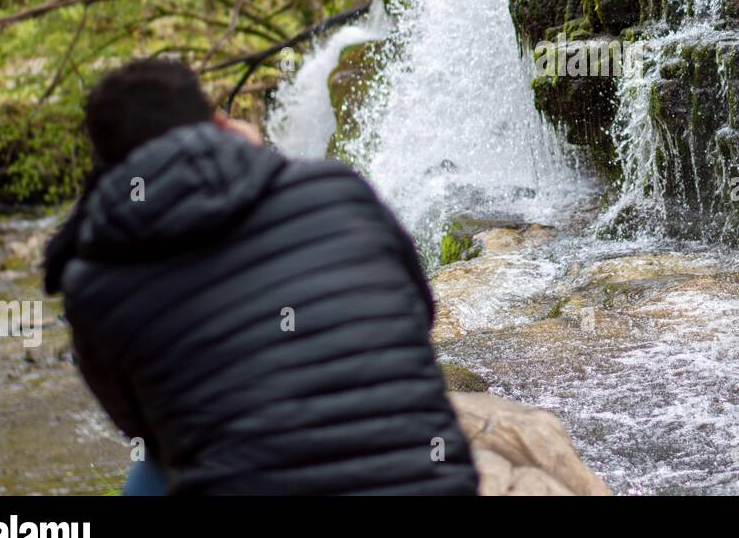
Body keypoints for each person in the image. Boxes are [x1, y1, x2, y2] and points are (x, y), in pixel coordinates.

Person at [42, 58, 477, 495]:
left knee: (151, 470)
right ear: (221, 123)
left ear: (106, 169)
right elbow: (418, 314)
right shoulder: (339, 189)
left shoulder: (93, 280)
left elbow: (141, 426)